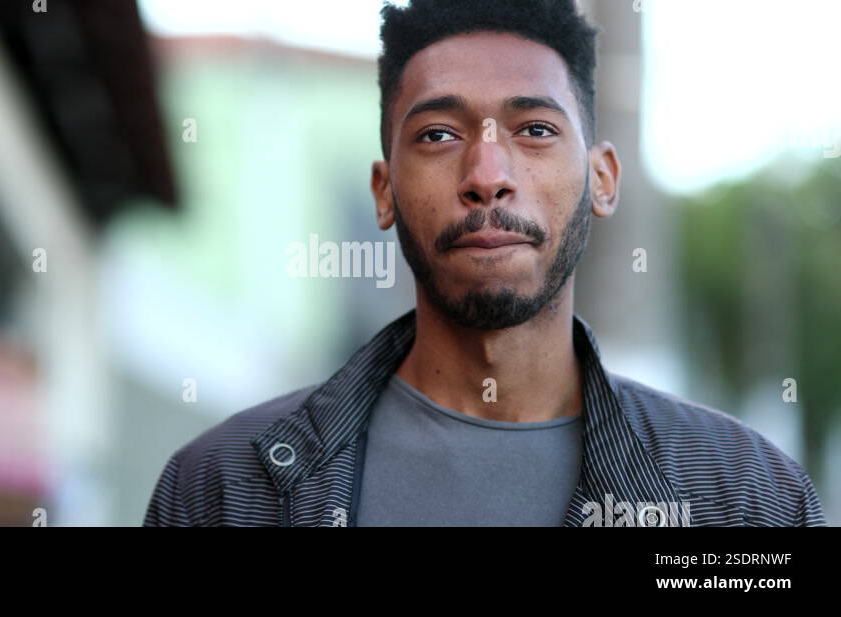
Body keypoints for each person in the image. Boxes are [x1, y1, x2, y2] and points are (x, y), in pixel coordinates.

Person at [144, 0, 827, 527]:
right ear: (384, 192)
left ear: (603, 178)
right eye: (439, 134)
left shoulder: (741, 499)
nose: (488, 175)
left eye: (535, 130)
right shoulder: (227, 489)